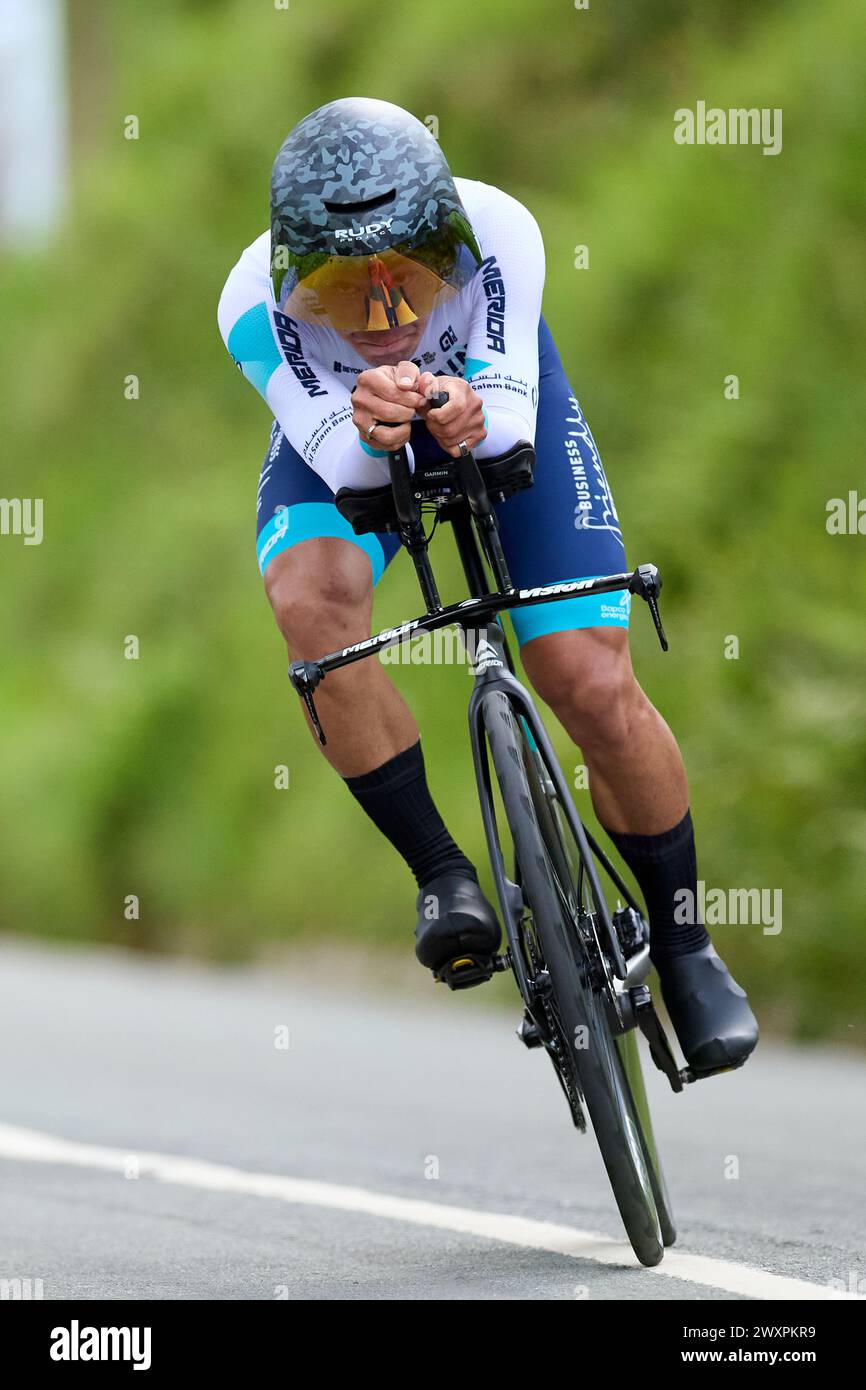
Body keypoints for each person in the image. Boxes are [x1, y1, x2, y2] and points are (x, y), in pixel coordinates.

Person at [218, 97, 758, 1075]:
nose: (383, 314)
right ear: (294, 276)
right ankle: (441, 874)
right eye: (344, 292)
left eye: (411, 276)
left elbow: (507, 427)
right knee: (308, 600)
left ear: (451, 240)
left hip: (493, 397)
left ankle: (683, 942)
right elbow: (342, 464)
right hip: (342, 435)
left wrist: (462, 401)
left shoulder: (500, 224)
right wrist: (375, 415)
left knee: (585, 678)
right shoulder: (246, 299)